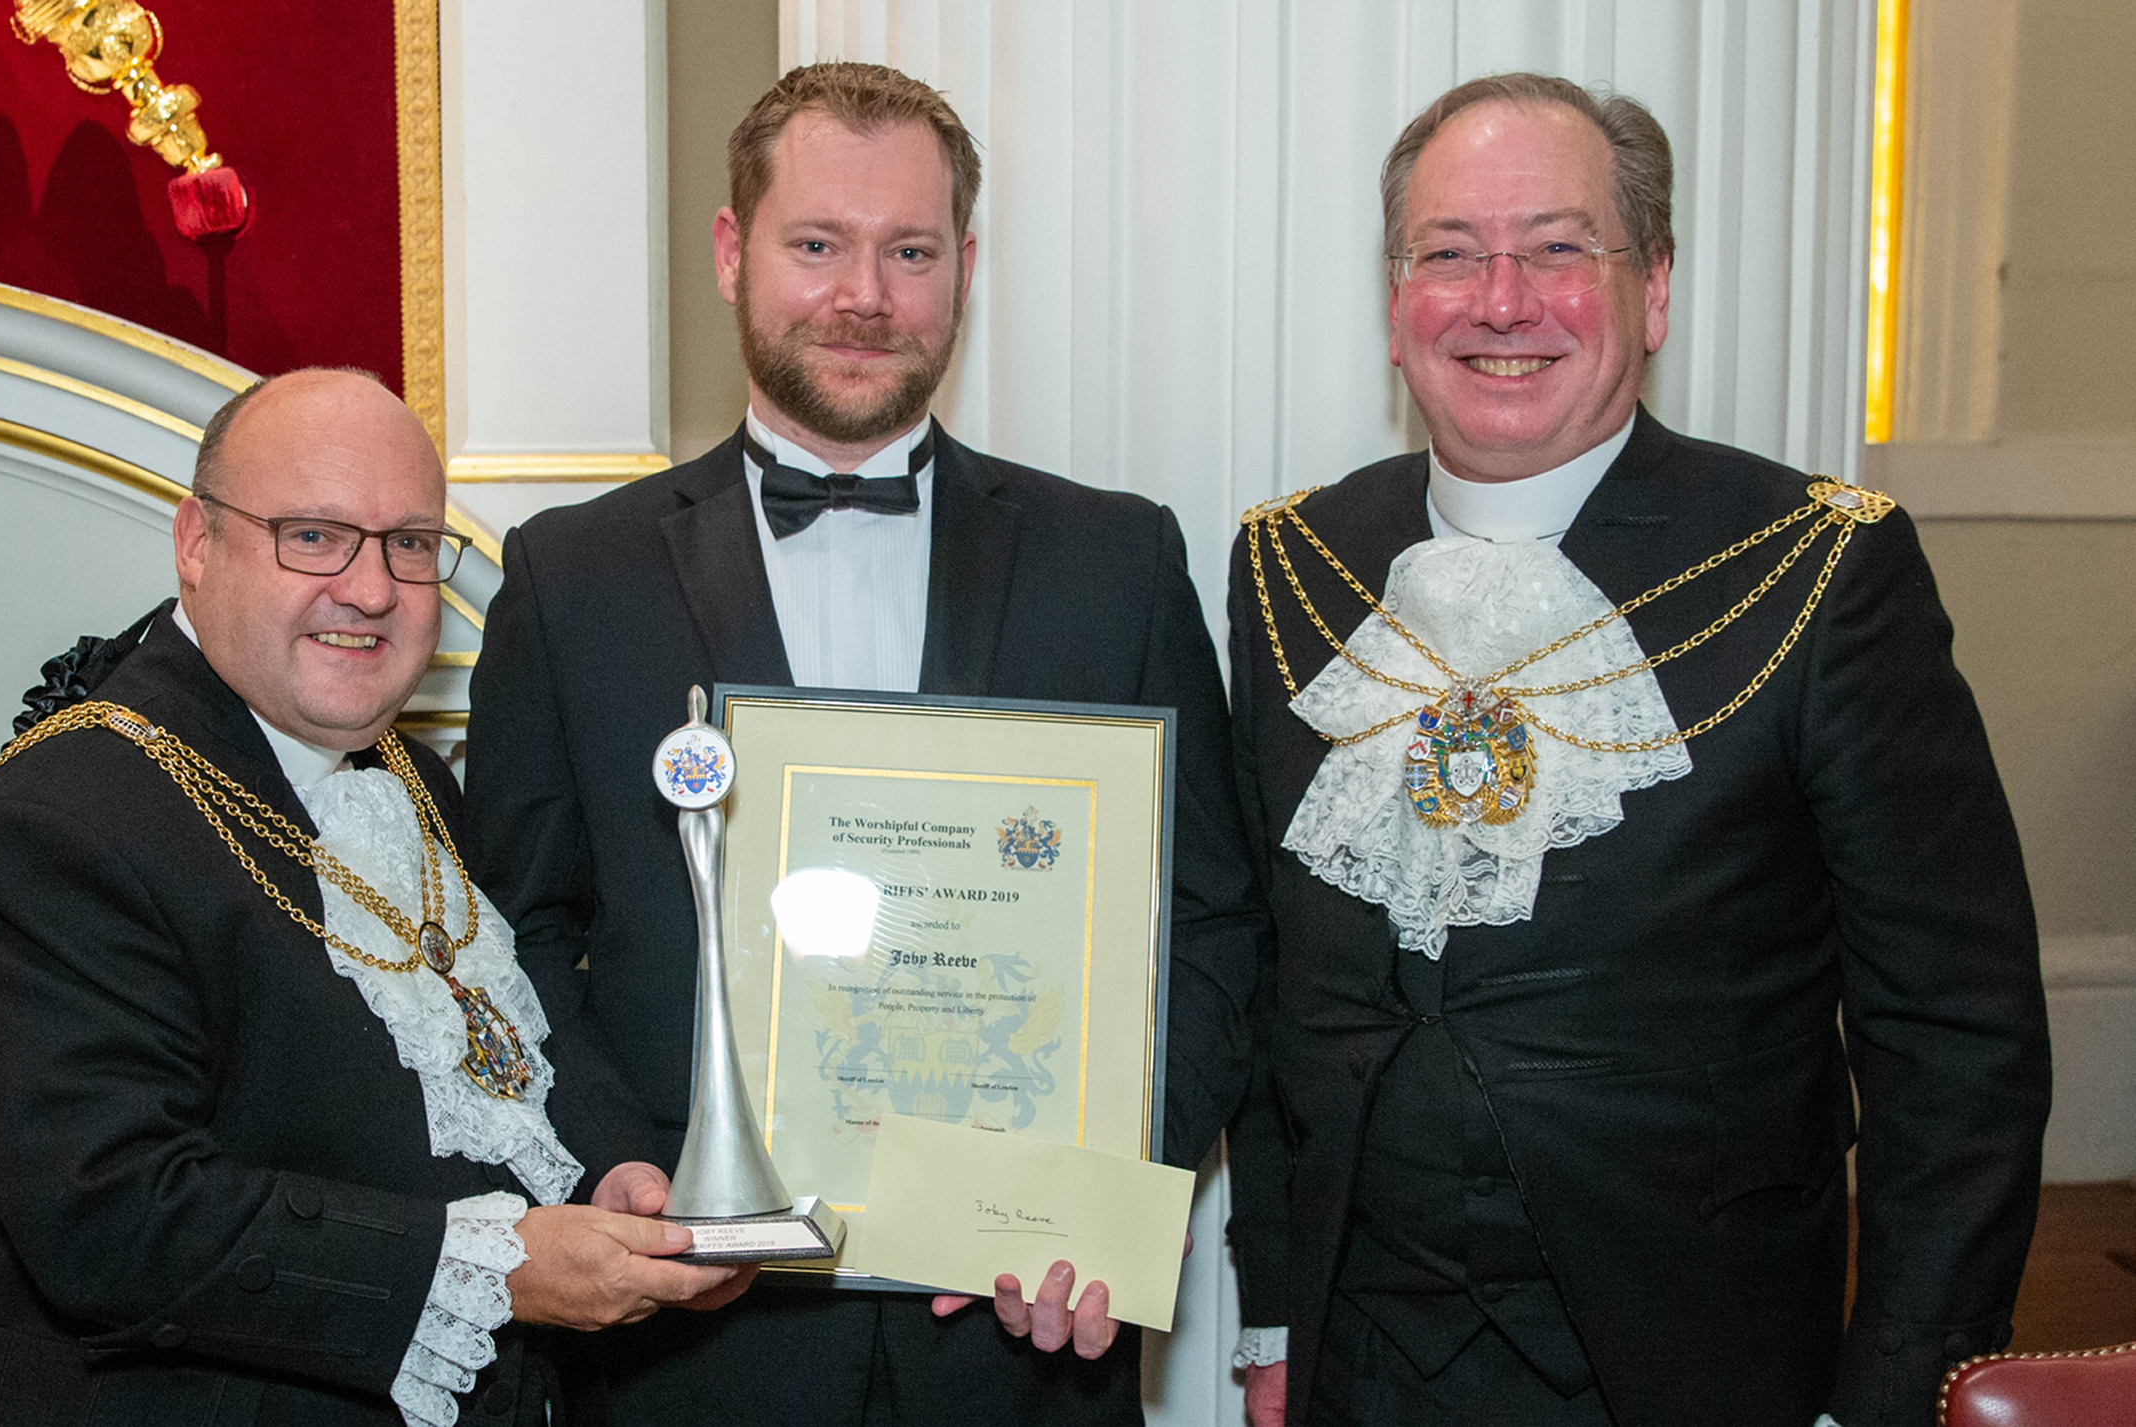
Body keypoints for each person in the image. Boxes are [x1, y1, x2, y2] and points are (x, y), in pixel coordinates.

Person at [1223, 74, 2050, 1427]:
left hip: (1698, 1359)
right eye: (1449, 253)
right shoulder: (1289, 566)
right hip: (1361, 1356)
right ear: (1393, 303)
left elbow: (1956, 1038)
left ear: (1652, 291)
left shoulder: (1819, 569)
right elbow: (1272, 980)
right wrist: (1270, 1309)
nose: (1502, 299)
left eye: (1559, 248)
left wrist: (1895, 1393)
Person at [462, 62, 1263, 1427]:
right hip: (688, 1345)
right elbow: (515, 931)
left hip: (1019, 1345)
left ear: (964, 266)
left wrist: (1113, 1191)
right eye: (817, 244)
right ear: (732, 252)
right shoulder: (570, 576)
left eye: (911, 250)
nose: (865, 296)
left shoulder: (1116, 560)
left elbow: (1212, 925)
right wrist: (611, 1166)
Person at [0, 369, 750, 1427]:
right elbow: (114, 1219)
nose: (372, 587)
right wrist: (500, 1267)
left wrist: (609, 1174)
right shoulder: (54, 826)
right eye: (313, 535)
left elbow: (485, 1047)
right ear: (197, 542)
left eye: (408, 543)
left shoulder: (416, 786)